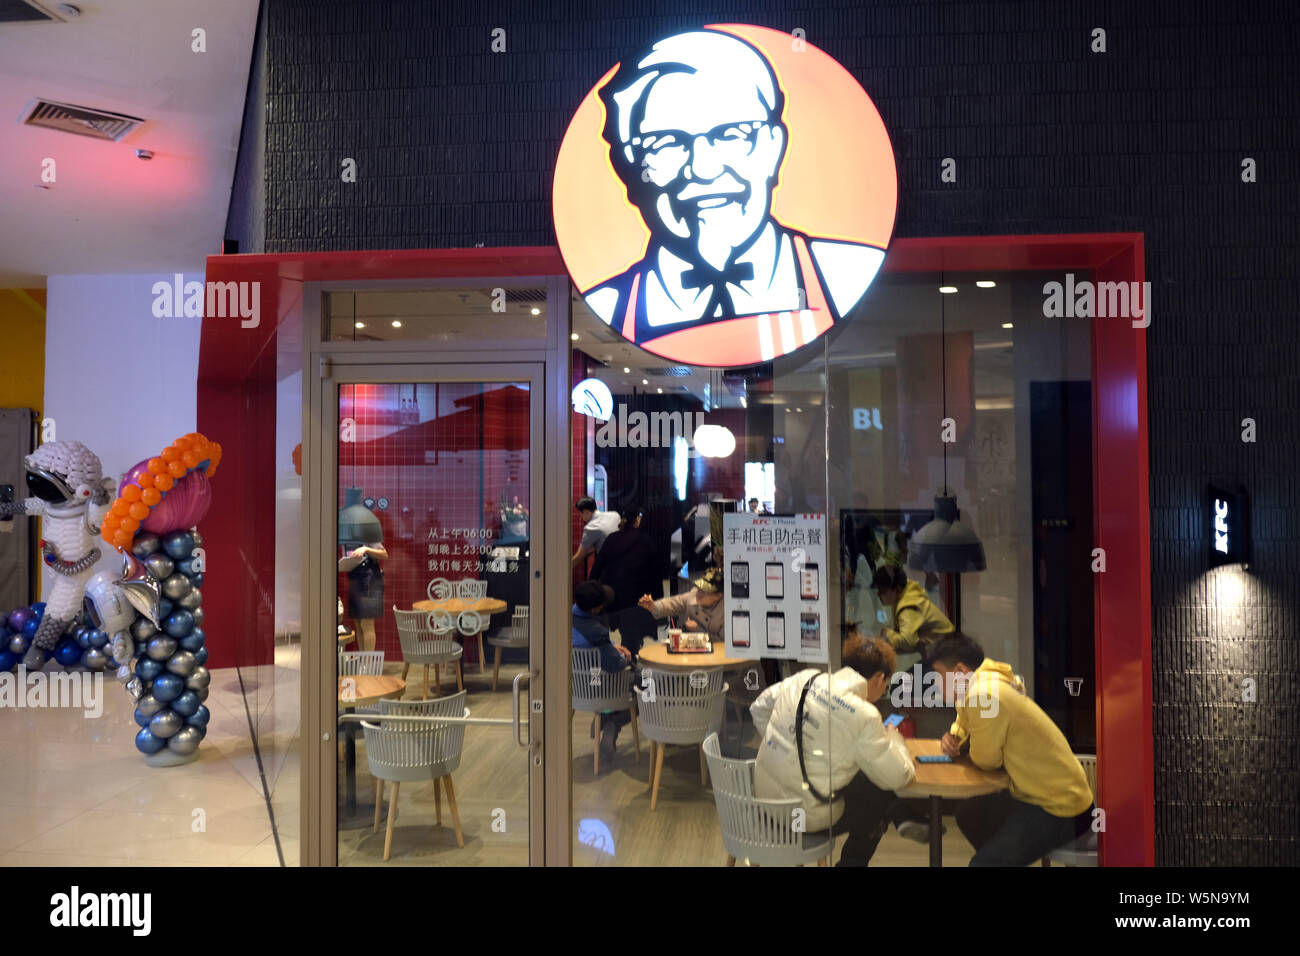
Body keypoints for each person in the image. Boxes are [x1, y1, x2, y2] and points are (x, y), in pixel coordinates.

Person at [582, 29, 887, 365]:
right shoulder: (609, 302)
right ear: (628, 168)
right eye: (667, 143)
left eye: (731, 134)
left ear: (774, 147)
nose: (703, 168)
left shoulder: (844, 272)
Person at [927, 633, 1094, 866]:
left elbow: (987, 761)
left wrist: (964, 745)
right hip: (1034, 791)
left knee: (984, 864)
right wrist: (955, 736)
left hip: (1061, 806)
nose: (935, 681)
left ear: (960, 671)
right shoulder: (981, 682)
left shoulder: (984, 694)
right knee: (969, 814)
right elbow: (964, 721)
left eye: (938, 674)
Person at [749, 633, 915, 866]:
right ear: (879, 678)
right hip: (802, 819)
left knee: (860, 775)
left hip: (764, 803)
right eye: (886, 684)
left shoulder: (804, 679)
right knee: (881, 794)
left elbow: (758, 709)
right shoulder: (864, 715)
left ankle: (906, 816)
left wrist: (785, 745)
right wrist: (895, 739)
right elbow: (898, 776)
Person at [572, 581, 635, 758]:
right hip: (599, 683)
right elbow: (616, 666)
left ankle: (606, 718)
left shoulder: (565, 619)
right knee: (646, 686)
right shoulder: (597, 632)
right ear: (594, 609)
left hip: (576, 687)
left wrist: (612, 645)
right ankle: (611, 725)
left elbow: (590, 645)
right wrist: (626, 658)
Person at [590, 504, 660, 654]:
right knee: (631, 631)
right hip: (636, 597)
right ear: (637, 520)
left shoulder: (612, 539)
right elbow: (655, 573)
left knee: (620, 628)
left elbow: (597, 566)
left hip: (613, 597)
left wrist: (592, 590)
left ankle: (621, 658)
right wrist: (657, 599)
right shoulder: (645, 541)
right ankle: (629, 658)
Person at [872, 564, 954, 658]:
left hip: (947, 654)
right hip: (944, 647)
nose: (878, 594)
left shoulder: (907, 607)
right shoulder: (906, 593)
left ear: (897, 589)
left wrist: (888, 633)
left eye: (882, 591)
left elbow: (908, 643)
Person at [638, 566, 725, 640]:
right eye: (699, 587)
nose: (699, 592)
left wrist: (698, 629)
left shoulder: (726, 612)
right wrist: (654, 606)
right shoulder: (693, 595)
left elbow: (723, 643)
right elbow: (673, 603)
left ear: (719, 595)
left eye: (705, 590)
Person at [341, 540, 388, 652]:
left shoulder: (365, 531)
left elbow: (384, 554)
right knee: (358, 623)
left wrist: (366, 549)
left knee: (366, 623)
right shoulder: (346, 535)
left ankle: (368, 666)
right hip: (354, 577)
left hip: (369, 579)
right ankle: (363, 662)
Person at [572, 496, 621, 570]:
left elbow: (579, 557)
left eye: (581, 514)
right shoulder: (615, 515)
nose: (581, 517)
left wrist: (563, 568)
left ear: (586, 512)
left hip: (608, 565)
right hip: (623, 560)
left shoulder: (591, 527)